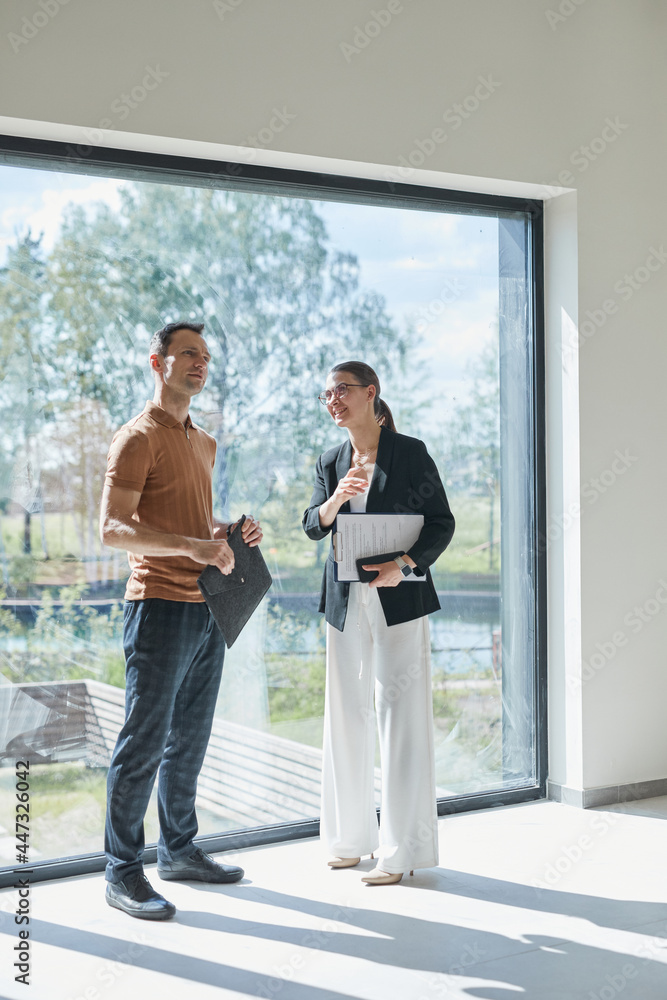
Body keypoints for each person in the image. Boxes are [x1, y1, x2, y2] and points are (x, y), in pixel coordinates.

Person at [100, 321, 262, 920]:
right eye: (188, 353)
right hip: (157, 607)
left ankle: (179, 850)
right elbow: (111, 528)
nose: (200, 363)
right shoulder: (136, 437)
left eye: (206, 356)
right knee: (142, 742)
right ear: (157, 361)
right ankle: (121, 871)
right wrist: (193, 548)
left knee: (189, 740)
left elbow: (195, 522)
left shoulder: (205, 442)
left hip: (208, 606)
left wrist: (227, 534)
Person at [303, 361, 455, 885]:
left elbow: (441, 523)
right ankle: (349, 840)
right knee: (344, 713)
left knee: (400, 714)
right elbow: (311, 525)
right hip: (346, 602)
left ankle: (401, 850)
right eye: (327, 393)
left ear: (371, 393)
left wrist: (405, 565)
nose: (333, 400)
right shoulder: (331, 459)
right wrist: (336, 500)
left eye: (341, 390)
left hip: (399, 595)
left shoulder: (409, 453)